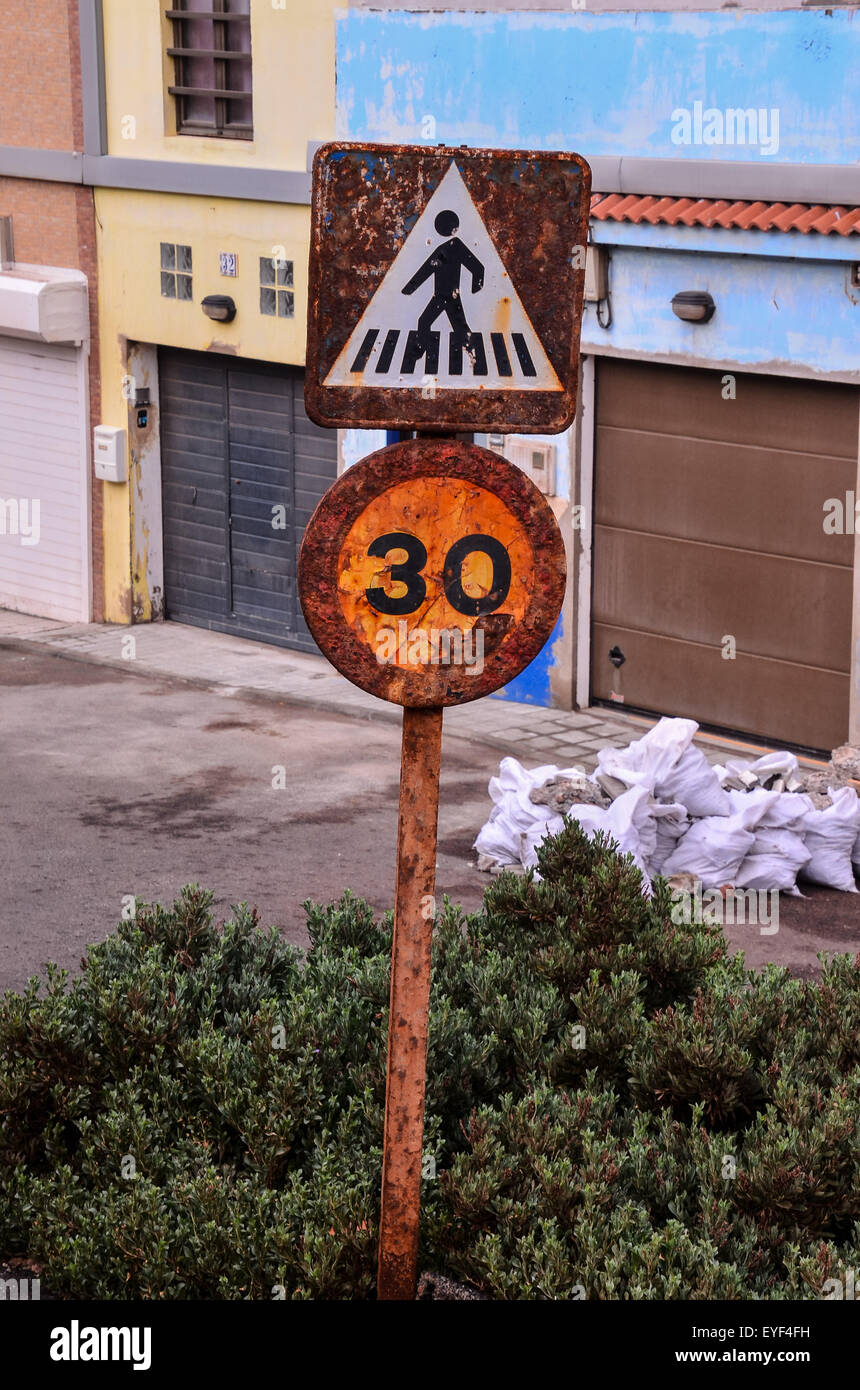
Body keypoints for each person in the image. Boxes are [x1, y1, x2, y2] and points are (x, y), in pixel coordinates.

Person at [401, 210, 484, 351]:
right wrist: (409, 288)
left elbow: (477, 267)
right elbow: (426, 270)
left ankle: (473, 352)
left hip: (448, 296)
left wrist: (476, 287)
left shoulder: (454, 246)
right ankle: (421, 348)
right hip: (442, 296)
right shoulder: (448, 247)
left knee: (432, 323)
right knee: (427, 322)